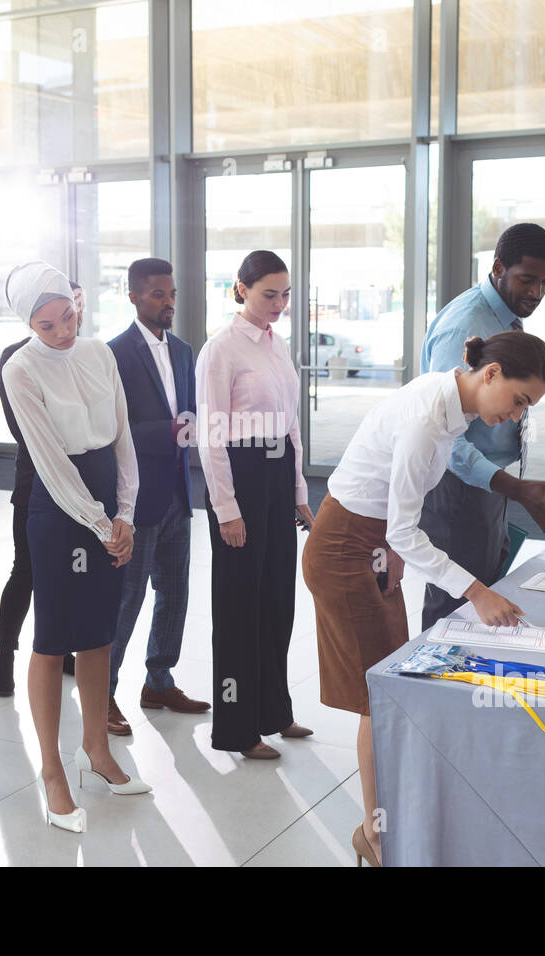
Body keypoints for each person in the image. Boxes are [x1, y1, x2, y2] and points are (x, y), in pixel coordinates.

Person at [303, 331, 545, 866]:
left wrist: (390, 550)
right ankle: (375, 836)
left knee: (393, 687)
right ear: (491, 374)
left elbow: (393, 511)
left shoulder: (449, 405)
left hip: (370, 544)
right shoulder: (427, 418)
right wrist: (476, 590)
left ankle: (391, 818)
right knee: (379, 696)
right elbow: (402, 526)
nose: (516, 416)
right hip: (344, 550)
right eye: (519, 400)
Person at [3, 261, 149, 834]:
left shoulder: (97, 353)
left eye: (67, 317)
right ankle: (52, 772)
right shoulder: (20, 369)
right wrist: (98, 521)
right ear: (28, 324)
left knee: (100, 632)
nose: (62, 332)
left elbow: (122, 437)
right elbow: (50, 461)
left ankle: (97, 749)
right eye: (47, 325)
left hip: (108, 506)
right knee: (53, 638)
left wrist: (127, 514)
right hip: (61, 513)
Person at [418, 223, 545, 631]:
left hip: (489, 481)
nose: (536, 293)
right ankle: (435, 690)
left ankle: (466, 689)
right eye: (527, 280)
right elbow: (443, 434)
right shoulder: (466, 324)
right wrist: (514, 487)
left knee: (486, 593)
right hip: (460, 484)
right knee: (457, 607)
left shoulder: (504, 316)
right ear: (498, 267)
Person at [196, 249, 315, 760]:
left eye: (286, 294)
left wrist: (298, 493)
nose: (280, 304)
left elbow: (290, 426)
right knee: (240, 608)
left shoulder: (277, 344)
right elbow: (209, 436)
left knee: (276, 601)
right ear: (240, 290)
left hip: (274, 475)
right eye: (270, 294)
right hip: (239, 478)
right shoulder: (220, 350)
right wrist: (227, 510)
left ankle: (274, 711)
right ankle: (238, 728)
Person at [105, 258, 209, 735]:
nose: (167, 302)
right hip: (135, 495)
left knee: (175, 592)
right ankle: (103, 692)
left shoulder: (186, 351)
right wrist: (166, 430)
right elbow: (111, 429)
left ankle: (159, 680)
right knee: (126, 599)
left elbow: (189, 414)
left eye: (171, 294)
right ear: (133, 297)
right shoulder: (114, 354)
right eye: (156, 295)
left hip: (178, 492)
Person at [0, 280, 84, 695]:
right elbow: (24, 428)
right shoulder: (16, 359)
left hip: (84, 482)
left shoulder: (90, 354)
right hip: (36, 481)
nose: (66, 326)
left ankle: (63, 651)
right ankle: (4, 656)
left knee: (69, 573)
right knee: (25, 571)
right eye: (52, 318)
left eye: (72, 310)